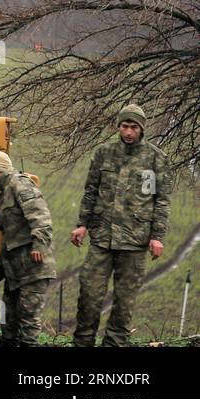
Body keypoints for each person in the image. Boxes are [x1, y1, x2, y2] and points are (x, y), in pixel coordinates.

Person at [71, 103, 171, 346]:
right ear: (118, 126)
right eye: (124, 126)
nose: (128, 132)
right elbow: (91, 191)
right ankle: (83, 343)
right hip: (102, 238)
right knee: (89, 296)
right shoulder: (103, 153)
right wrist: (82, 224)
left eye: (133, 127)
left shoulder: (156, 158)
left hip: (135, 241)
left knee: (124, 303)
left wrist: (157, 236)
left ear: (141, 129)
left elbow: (162, 200)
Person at [0, 150, 56, 346]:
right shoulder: (4, 193)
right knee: (8, 323)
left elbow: (41, 217)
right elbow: (10, 240)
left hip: (33, 269)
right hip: (15, 272)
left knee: (28, 321)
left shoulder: (20, 184)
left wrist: (39, 245)